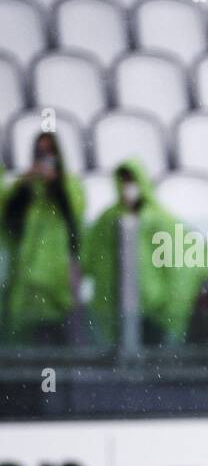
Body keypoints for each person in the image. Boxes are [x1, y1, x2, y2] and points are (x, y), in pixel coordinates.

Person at [82, 161, 183, 347]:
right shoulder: (108, 218)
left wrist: (168, 300)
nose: (128, 187)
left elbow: (175, 264)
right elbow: (90, 256)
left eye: (132, 180)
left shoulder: (160, 219)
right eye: (124, 181)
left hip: (153, 306)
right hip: (114, 304)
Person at [0, 132, 84, 344]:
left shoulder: (69, 185)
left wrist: (55, 184)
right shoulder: (25, 187)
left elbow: (74, 214)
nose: (43, 157)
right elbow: (10, 220)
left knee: (60, 344)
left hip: (58, 280)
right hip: (27, 280)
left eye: (48, 152)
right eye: (39, 152)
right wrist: (25, 186)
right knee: (28, 344)